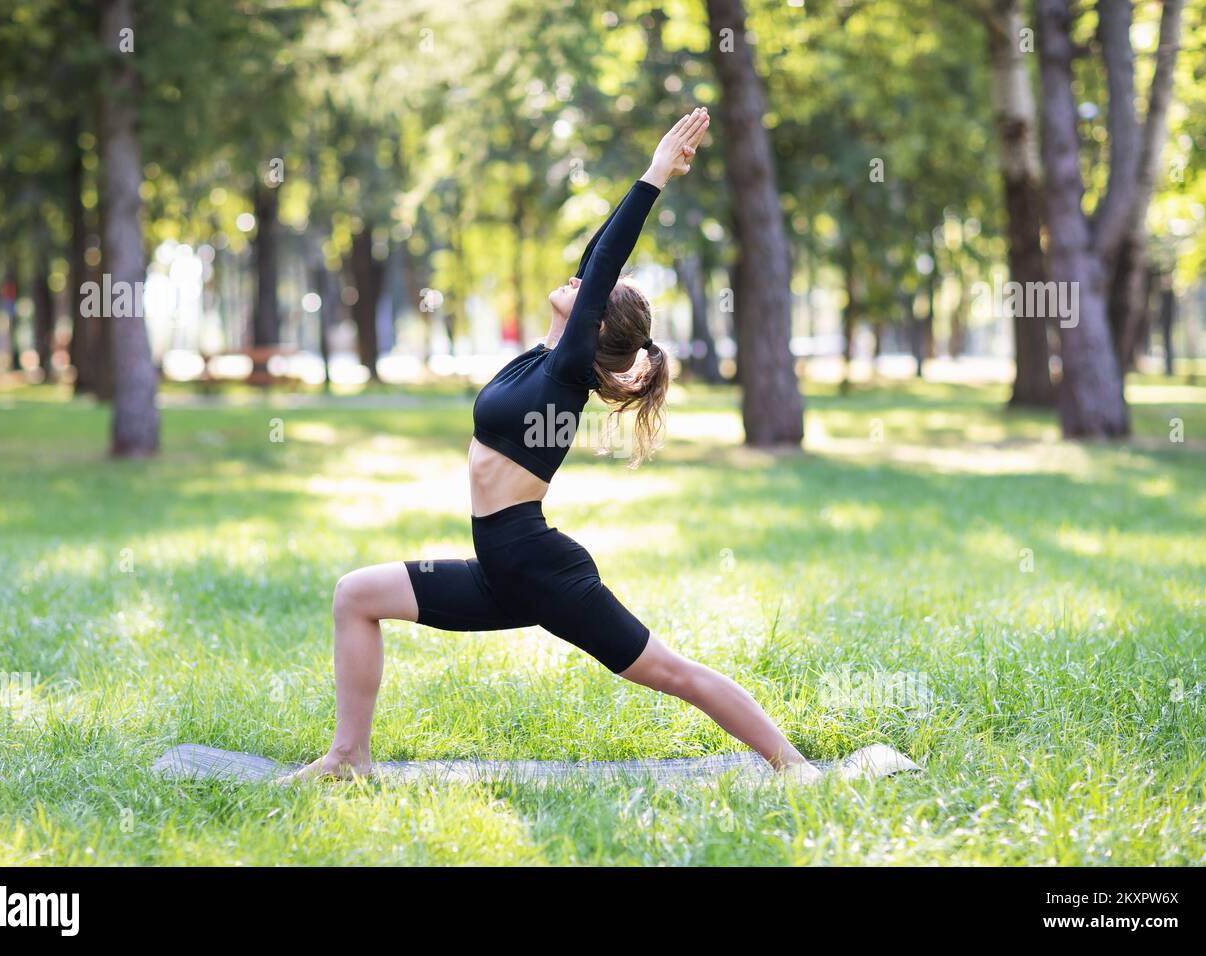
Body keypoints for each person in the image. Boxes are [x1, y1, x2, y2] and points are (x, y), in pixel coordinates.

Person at [285, 108, 821, 783]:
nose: (577, 278)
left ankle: (794, 766)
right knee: (355, 595)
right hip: (498, 570)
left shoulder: (567, 370)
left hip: (538, 569)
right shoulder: (547, 357)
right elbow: (594, 262)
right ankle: (347, 758)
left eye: (591, 289)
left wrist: (656, 174)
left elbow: (604, 263)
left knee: (669, 672)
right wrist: (646, 179)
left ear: (594, 323)